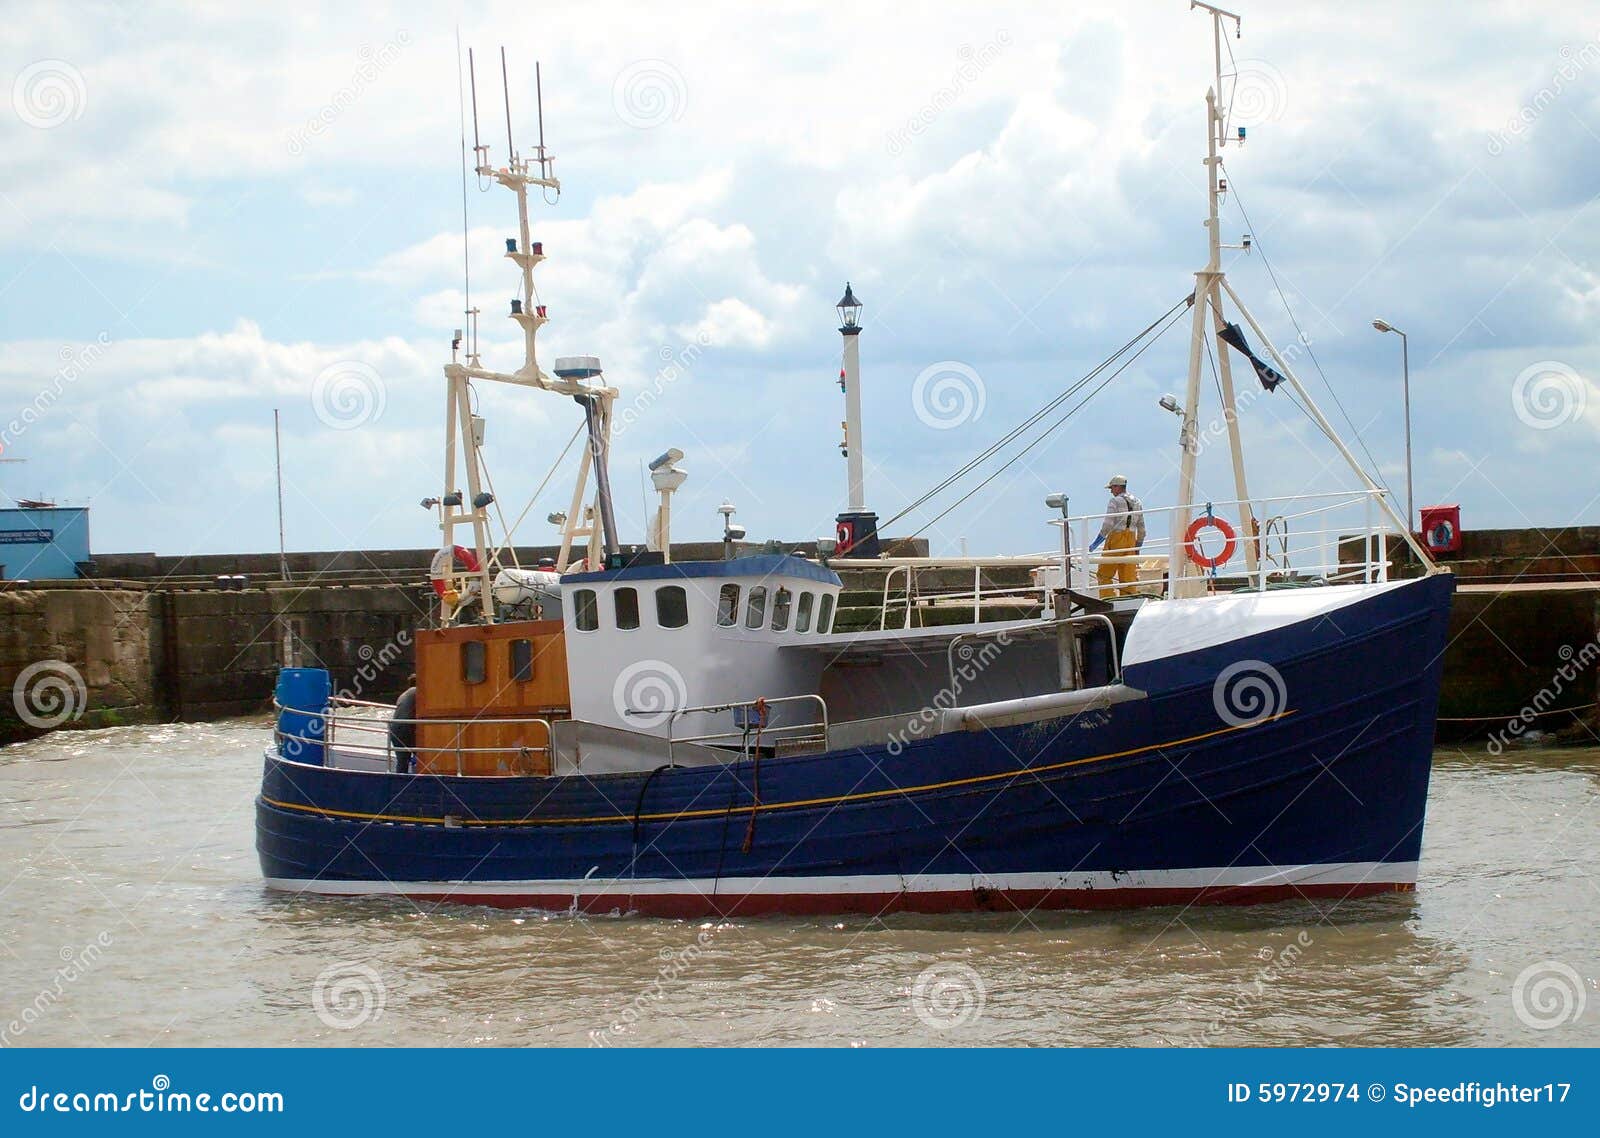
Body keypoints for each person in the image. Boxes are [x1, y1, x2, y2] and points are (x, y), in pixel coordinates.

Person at [1090, 475, 1145, 598]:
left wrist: (1096, 543)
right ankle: (1129, 598)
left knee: (1104, 574)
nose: (1111, 491)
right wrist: (1137, 548)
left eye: (1112, 488)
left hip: (1116, 539)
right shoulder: (1137, 502)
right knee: (1128, 575)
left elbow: (1108, 524)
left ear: (1117, 487)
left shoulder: (1114, 501)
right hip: (1131, 539)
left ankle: (1108, 598)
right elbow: (1142, 528)